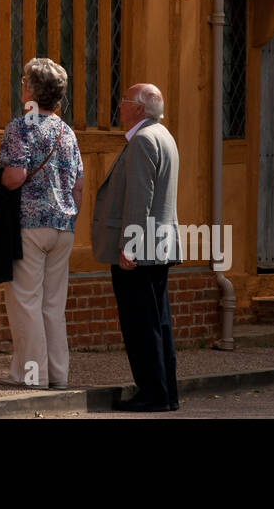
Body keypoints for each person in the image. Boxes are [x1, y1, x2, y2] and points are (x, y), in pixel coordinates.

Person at [92, 83, 182, 412]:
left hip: (142, 248)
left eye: (125, 101)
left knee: (140, 324)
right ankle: (165, 392)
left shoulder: (143, 140)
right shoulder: (164, 136)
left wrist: (129, 247)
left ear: (140, 109)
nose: (120, 106)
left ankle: (152, 394)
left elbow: (139, 199)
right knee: (158, 322)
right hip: (159, 243)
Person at [0, 58, 84, 389]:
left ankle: (32, 377)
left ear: (32, 89)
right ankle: (57, 375)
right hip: (63, 224)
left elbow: (15, 176)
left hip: (30, 223)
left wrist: (0, 181)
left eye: (24, 81)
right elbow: (78, 184)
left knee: (25, 301)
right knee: (52, 304)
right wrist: (67, 213)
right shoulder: (67, 131)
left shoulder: (21, 127)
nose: (22, 86)